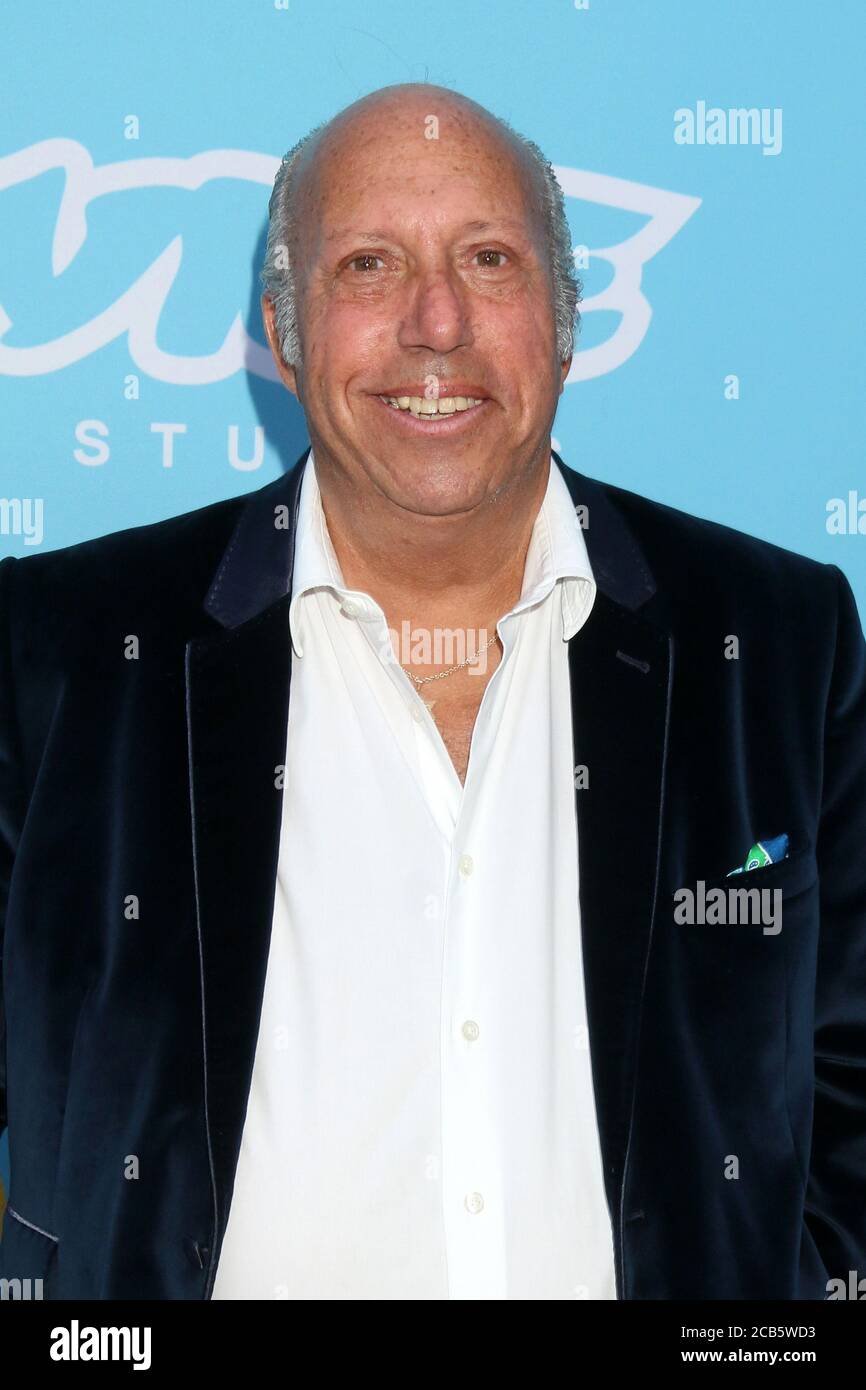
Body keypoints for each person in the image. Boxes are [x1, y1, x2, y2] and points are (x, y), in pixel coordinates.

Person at [0, 82, 864, 1300]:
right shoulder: (64, 649)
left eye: (489, 260)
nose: (437, 324)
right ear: (283, 330)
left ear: (563, 322)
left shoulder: (777, 642)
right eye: (367, 264)